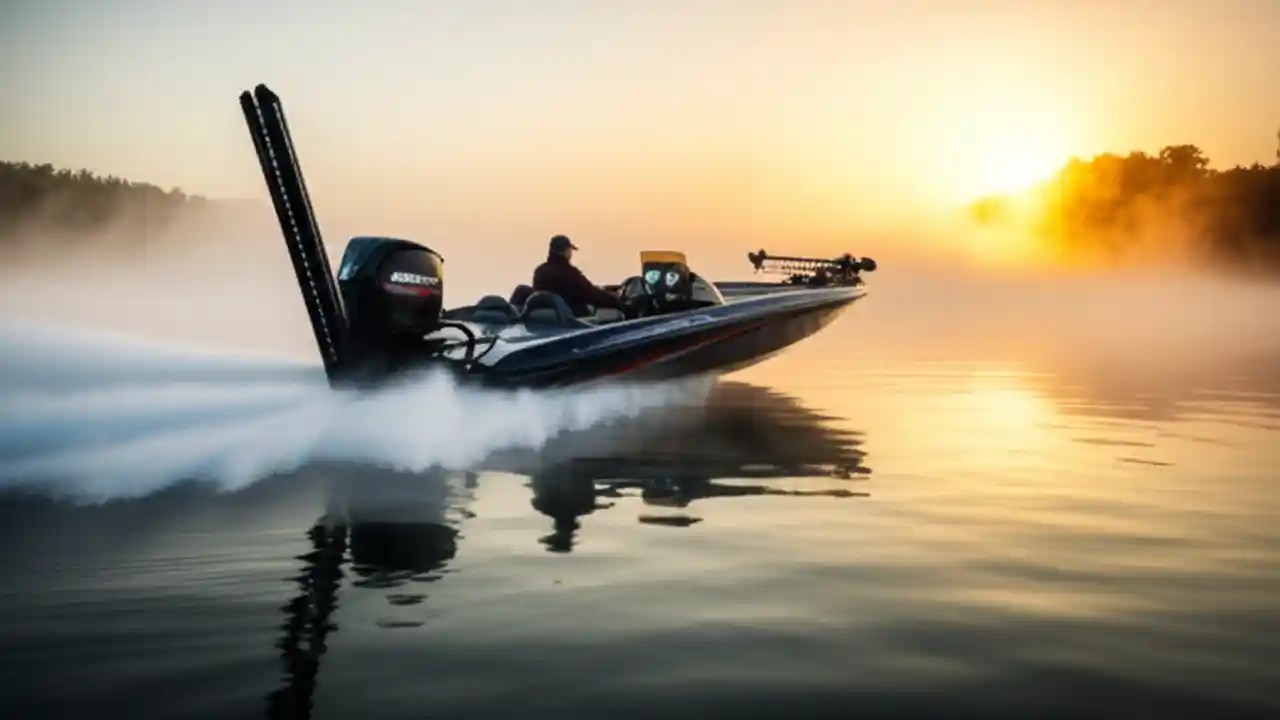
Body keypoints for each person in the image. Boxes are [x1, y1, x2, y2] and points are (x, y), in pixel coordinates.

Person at [532, 234, 624, 316]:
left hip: (549, 319)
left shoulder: (540, 272)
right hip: (573, 319)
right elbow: (591, 294)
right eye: (570, 250)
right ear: (566, 251)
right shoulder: (570, 274)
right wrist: (617, 301)